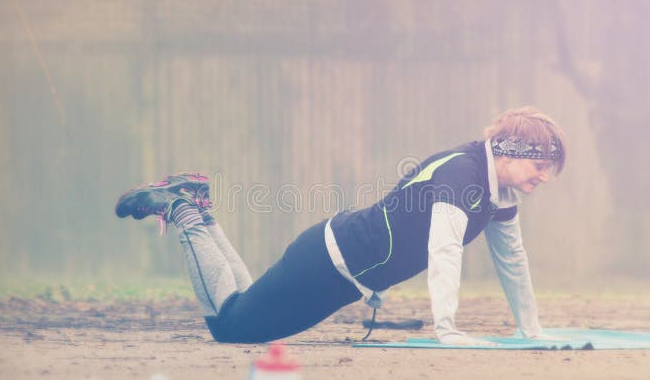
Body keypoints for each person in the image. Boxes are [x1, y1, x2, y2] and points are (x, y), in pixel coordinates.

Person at [115, 107, 565, 345]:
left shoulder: (496, 192)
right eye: (540, 165)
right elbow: (443, 252)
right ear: (509, 151)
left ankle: (196, 207)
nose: (544, 178)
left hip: (340, 276)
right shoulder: (460, 174)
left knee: (242, 312)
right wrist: (447, 329)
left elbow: (512, 260)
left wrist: (531, 329)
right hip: (327, 260)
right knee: (231, 327)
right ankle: (182, 210)